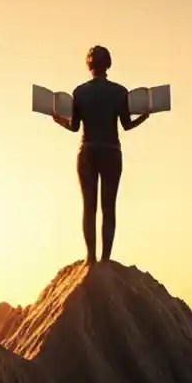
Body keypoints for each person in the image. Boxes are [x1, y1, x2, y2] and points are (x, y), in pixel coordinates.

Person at [53, 45, 150, 264]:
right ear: (108, 64)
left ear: (89, 65)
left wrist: (58, 120)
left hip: (88, 151)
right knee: (109, 207)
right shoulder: (119, 91)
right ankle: (105, 258)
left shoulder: (80, 92)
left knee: (89, 207)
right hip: (111, 152)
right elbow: (126, 125)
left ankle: (91, 257)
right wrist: (144, 117)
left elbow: (74, 127)